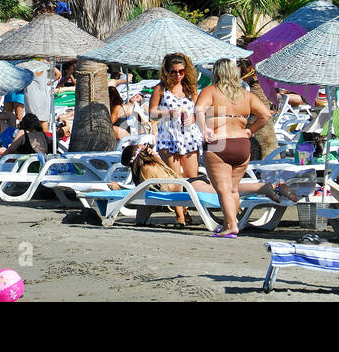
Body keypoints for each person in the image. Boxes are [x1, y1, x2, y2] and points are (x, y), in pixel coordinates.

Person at [194, 58, 275, 237]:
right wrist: (250, 130)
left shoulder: (211, 91)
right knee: (233, 189)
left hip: (219, 142)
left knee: (222, 188)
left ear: (216, 72)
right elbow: (266, 115)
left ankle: (231, 225)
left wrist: (204, 129)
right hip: (241, 144)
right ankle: (229, 222)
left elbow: (199, 110)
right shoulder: (246, 95)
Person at [117, 141, 296, 209]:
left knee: (228, 190)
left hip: (189, 188)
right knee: (229, 189)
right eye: (148, 148)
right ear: (142, 155)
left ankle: (267, 187)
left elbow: (148, 192)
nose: (152, 150)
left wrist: (121, 188)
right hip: (190, 185)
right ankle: (268, 186)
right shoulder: (153, 167)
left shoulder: (148, 170)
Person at [149, 52, 204, 226]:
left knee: (192, 177)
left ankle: (190, 209)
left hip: (189, 136)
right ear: (167, 72)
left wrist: (193, 118)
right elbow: (152, 113)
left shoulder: (190, 88)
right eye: (174, 72)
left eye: (181, 71)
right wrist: (169, 113)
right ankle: (180, 214)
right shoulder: (160, 89)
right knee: (175, 177)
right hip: (168, 136)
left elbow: (198, 110)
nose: (178, 75)